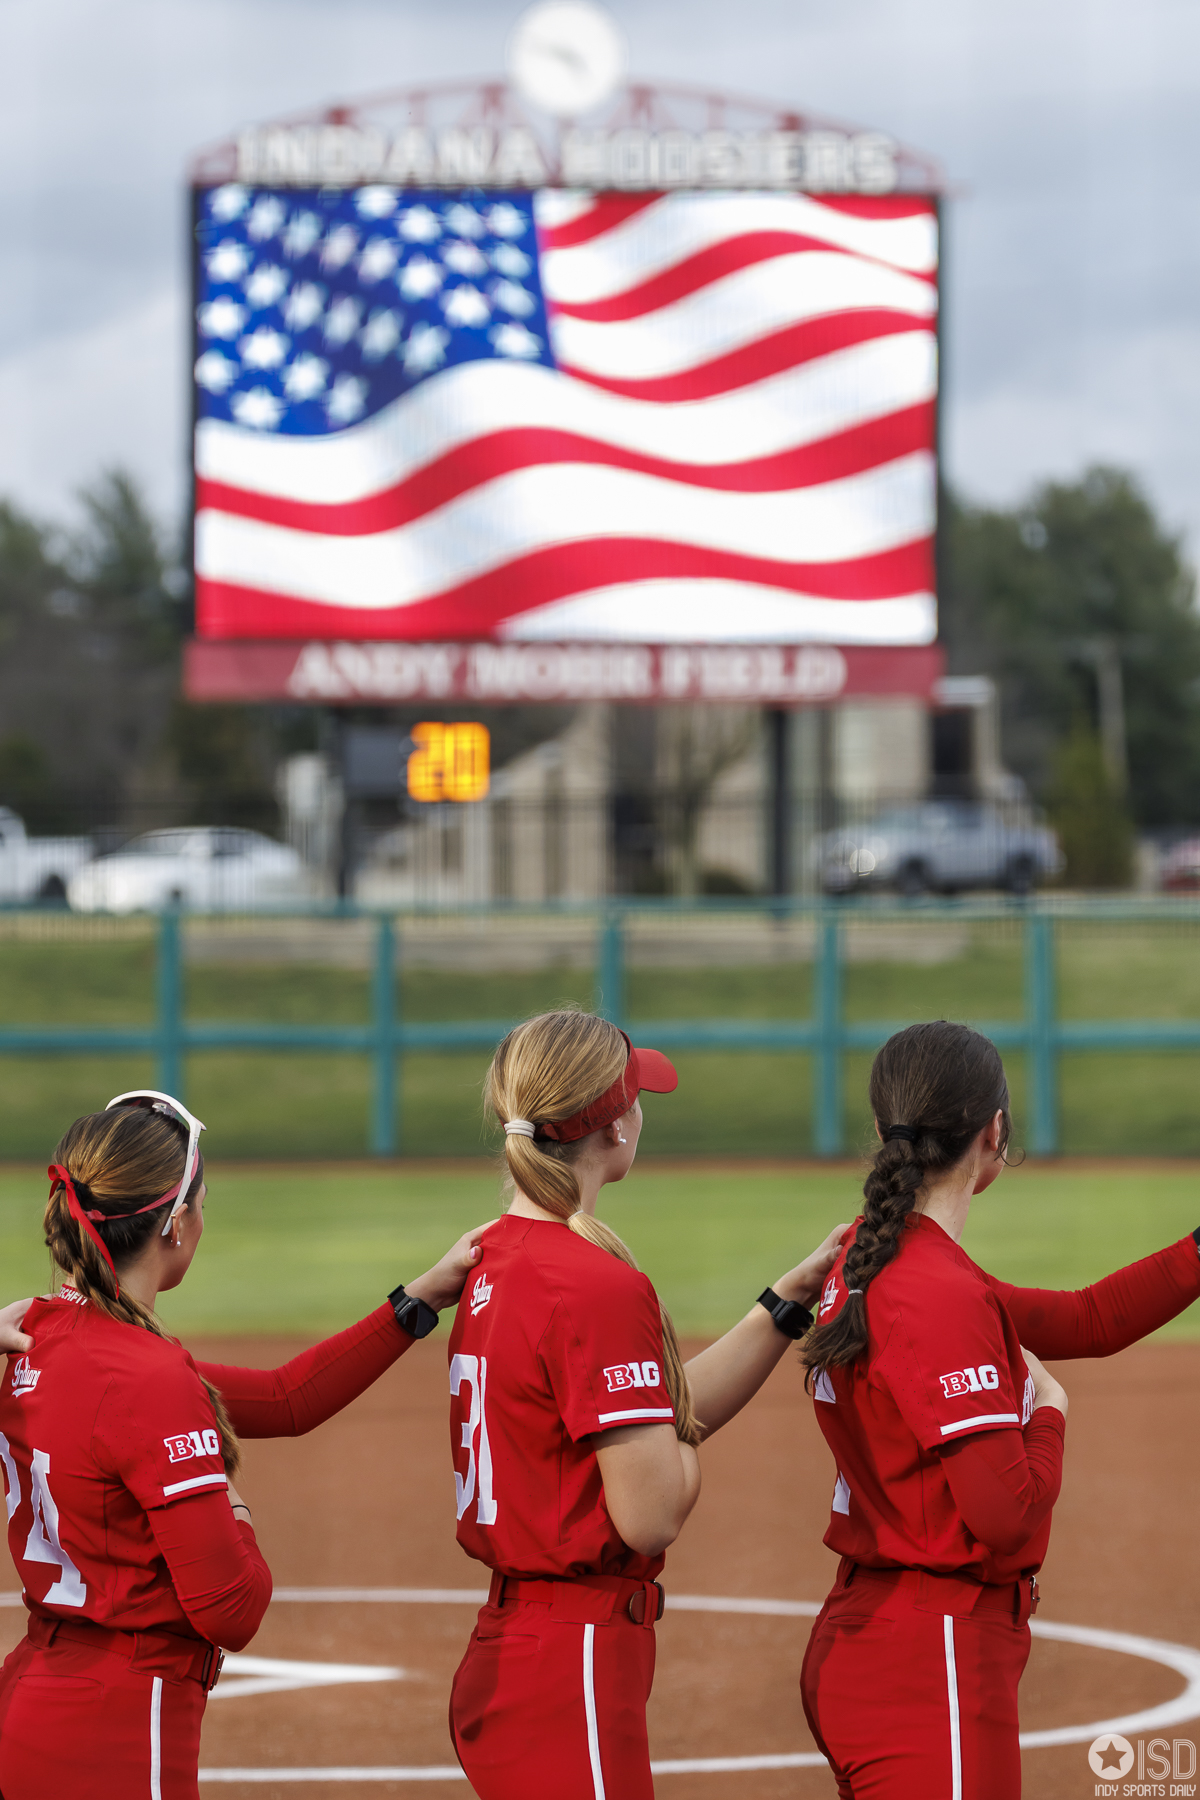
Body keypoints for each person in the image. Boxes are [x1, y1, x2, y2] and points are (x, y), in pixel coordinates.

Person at [0, 1088, 488, 1800]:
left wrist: (417, 1301)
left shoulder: (33, 1333)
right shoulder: (146, 1375)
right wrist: (229, 1497)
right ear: (175, 1225)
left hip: (36, 1697)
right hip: (115, 1732)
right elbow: (234, 1609)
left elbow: (289, 1398)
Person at [446, 1009, 849, 1800]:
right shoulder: (594, 1283)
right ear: (614, 1127)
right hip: (571, 1665)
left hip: (518, 1647)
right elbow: (651, 1512)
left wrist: (784, 1304)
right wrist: (676, 1454)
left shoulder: (497, 1253)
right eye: (636, 1096)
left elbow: (646, 1416)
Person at [798, 1021, 1200, 1800]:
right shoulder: (935, 1292)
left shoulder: (872, 1253)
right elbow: (1008, 1516)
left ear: (883, 1131)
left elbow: (1088, 1319)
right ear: (996, 1132)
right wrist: (1048, 1412)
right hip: (930, 1661)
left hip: (872, 1633)